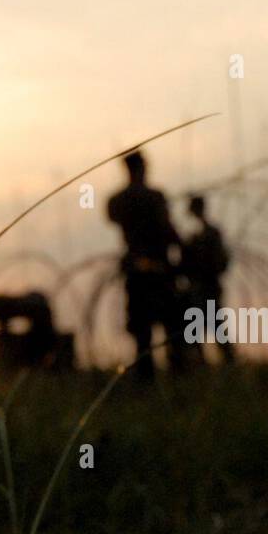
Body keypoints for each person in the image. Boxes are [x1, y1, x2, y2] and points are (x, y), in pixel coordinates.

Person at [107, 151, 185, 379]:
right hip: (159, 270)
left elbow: (113, 218)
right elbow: (169, 230)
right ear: (141, 168)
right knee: (171, 325)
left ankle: (146, 376)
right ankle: (176, 373)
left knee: (142, 329)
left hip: (135, 271)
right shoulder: (154, 197)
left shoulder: (117, 200)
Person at [179, 195, 234, 363]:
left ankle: (222, 360)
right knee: (200, 329)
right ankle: (205, 362)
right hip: (201, 287)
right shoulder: (203, 235)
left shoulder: (208, 235)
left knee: (209, 326)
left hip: (206, 287)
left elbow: (220, 262)